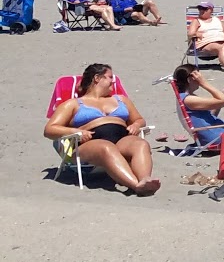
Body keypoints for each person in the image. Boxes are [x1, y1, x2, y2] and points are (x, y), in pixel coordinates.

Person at [43, 63, 159, 195]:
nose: (113, 81)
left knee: (141, 144)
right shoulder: (73, 104)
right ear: (97, 78)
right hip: (88, 144)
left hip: (121, 139)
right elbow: (49, 129)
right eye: (110, 77)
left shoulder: (121, 100)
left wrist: (136, 125)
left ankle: (145, 179)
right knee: (106, 147)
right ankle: (136, 185)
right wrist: (76, 132)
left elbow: (139, 119)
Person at [171, 63, 224, 145]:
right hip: (216, 137)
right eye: (198, 76)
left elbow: (209, 116)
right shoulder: (188, 100)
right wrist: (203, 83)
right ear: (190, 79)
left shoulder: (185, 98)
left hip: (215, 133)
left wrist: (221, 96)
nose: (200, 78)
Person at [188, 1, 224, 72]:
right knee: (221, 47)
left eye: (204, 8)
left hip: (222, 41)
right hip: (205, 44)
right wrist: (197, 34)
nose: (201, 10)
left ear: (211, 10)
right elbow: (190, 34)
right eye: (200, 8)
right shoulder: (196, 21)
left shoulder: (217, 20)